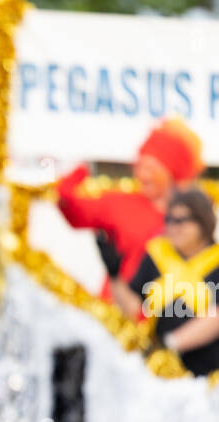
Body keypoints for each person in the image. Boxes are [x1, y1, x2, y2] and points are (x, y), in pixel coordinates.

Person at [56, 117, 204, 299]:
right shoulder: (120, 204)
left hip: (164, 317)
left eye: (151, 168)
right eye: (139, 167)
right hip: (117, 311)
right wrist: (82, 169)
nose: (142, 175)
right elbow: (71, 206)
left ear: (171, 171)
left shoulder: (192, 216)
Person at [111, 188, 219, 377]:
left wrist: (168, 344)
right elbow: (132, 308)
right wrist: (114, 276)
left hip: (212, 372)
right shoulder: (156, 254)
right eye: (169, 220)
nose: (174, 227)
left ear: (204, 222)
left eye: (182, 220)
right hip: (162, 372)